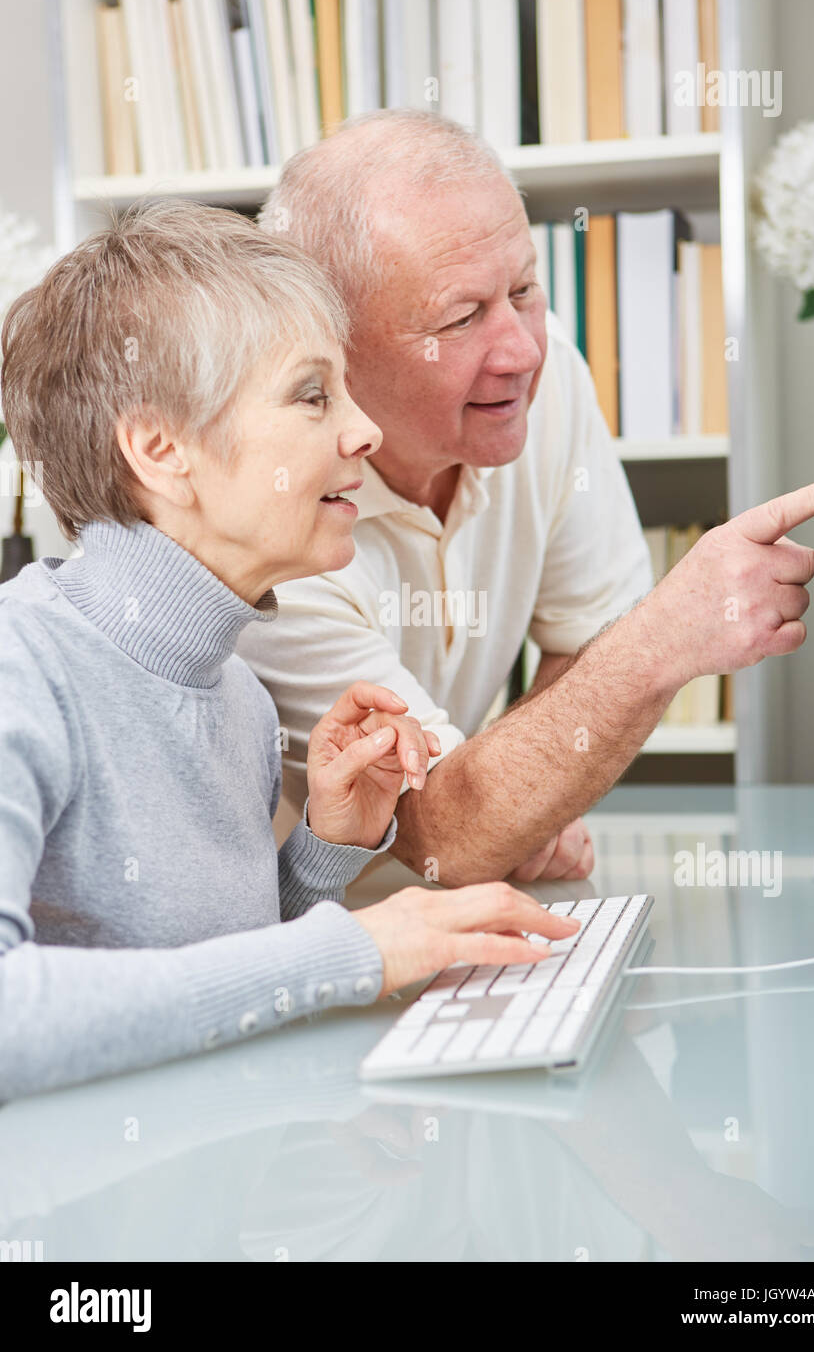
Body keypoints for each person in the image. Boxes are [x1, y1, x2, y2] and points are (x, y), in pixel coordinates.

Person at [0, 200, 580, 1103]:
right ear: (159, 449)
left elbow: (226, 969)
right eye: (313, 396)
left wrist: (323, 851)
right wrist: (357, 947)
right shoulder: (19, 668)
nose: (364, 431)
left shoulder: (237, 695)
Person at [238, 109, 814, 888]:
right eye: (461, 318)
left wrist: (515, 806)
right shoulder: (269, 511)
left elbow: (584, 640)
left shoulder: (546, 366)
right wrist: (662, 638)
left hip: (457, 917)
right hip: (297, 934)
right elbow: (438, 838)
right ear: (331, 344)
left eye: (524, 288)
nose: (523, 350)